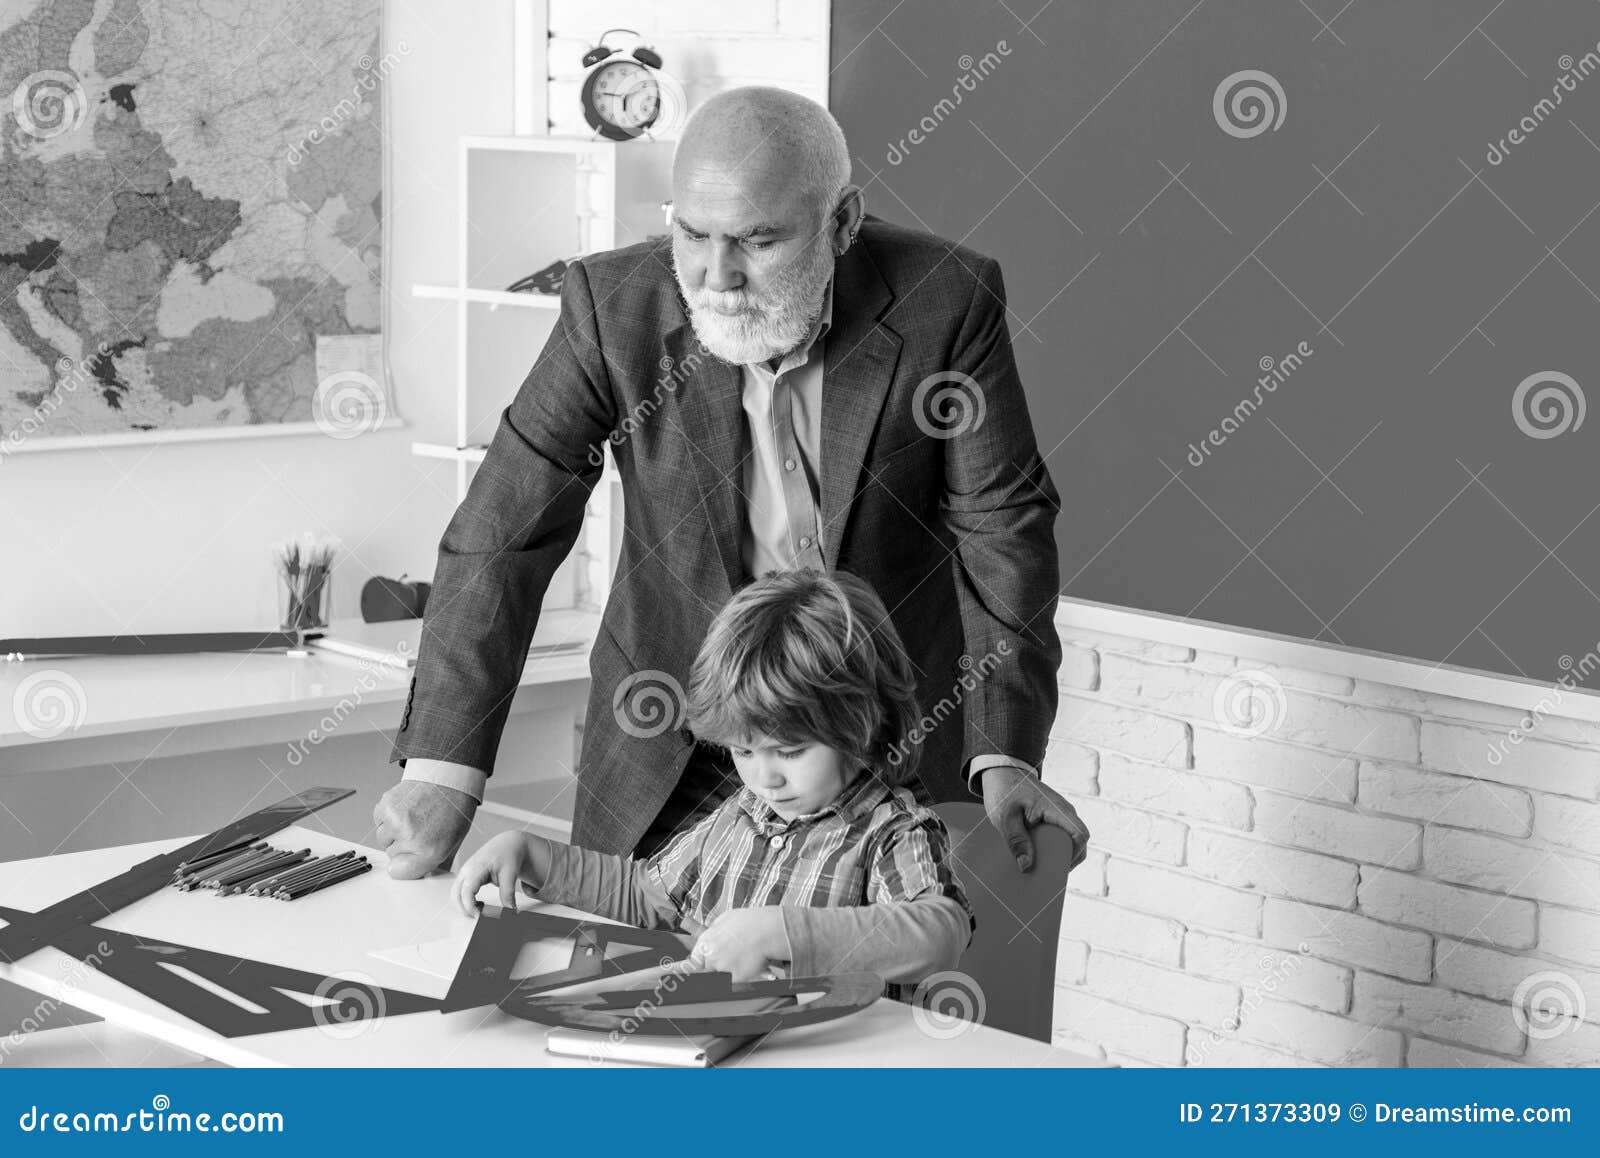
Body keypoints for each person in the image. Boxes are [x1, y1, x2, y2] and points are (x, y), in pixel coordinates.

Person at [376, 85, 1089, 878]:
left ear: (843, 223)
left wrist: (1005, 754)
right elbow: (504, 532)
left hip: (872, 743)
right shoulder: (615, 308)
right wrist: (442, 771)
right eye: (693, 234)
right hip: (673, 738)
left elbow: (1002, 528)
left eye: (757, 241)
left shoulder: (944, 301)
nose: (718, 276)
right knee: (622, 975)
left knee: (860, 987)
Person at [452, 570, 972, 987]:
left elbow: (940, 931)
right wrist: (532, 855)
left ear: (866, 722)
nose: (764, 776)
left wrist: (783, 933)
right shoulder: (740, 814)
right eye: (744, 750)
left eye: (790, 751)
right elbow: (645, 895)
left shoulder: (893, 830)